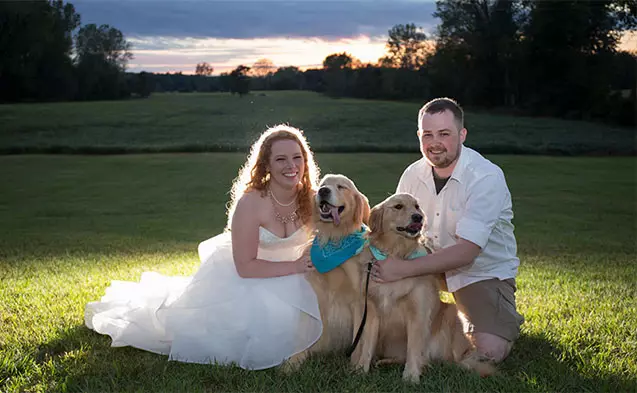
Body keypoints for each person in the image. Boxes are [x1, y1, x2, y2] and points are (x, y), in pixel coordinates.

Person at [85, 124, 323, 370]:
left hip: (300, 276)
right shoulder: (251, 203)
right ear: (266, 165)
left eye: (297, 158)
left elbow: (347, 227)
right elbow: (245, 267)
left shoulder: (315, 198)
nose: (291, 166)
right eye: (281, 159)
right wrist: (294, 266)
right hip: (253, 279)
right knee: (268, 324)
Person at [370, 98, 524, 363]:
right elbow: (393, 228)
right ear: (419, 136)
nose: (434, 142)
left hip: (478, 272)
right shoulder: (412, 174)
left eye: (444, 134)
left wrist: (402, 269)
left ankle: (500, 316)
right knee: (375, 299)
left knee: (486, 352)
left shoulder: (485, 177)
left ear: (462, 135)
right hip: (425, 266)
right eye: (427, 134)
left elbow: (466, 252)